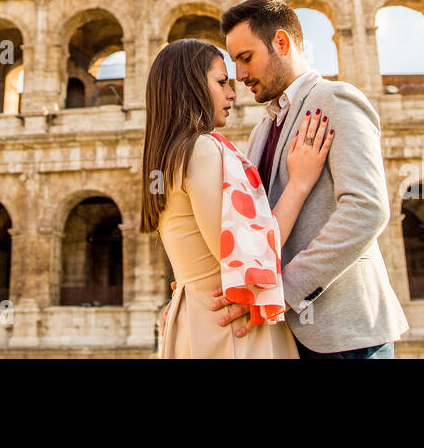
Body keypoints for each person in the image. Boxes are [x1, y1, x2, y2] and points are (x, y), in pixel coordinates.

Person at [211, 0, 409, 359]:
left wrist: (285, 290)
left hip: (345, 332)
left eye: (246, 58)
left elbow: (366, 209)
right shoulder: (260, 131)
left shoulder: (337, 99)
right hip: (285, 335)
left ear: (282, 43)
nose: (240, 75)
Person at [140, 38, 333, 357]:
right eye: (221, 82)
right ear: (190, 86)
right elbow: (245, 252)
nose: (232, 93)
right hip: (232, 329)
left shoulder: (166, 156)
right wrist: (299, 183)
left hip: (199, 319)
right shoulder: (201, 149)